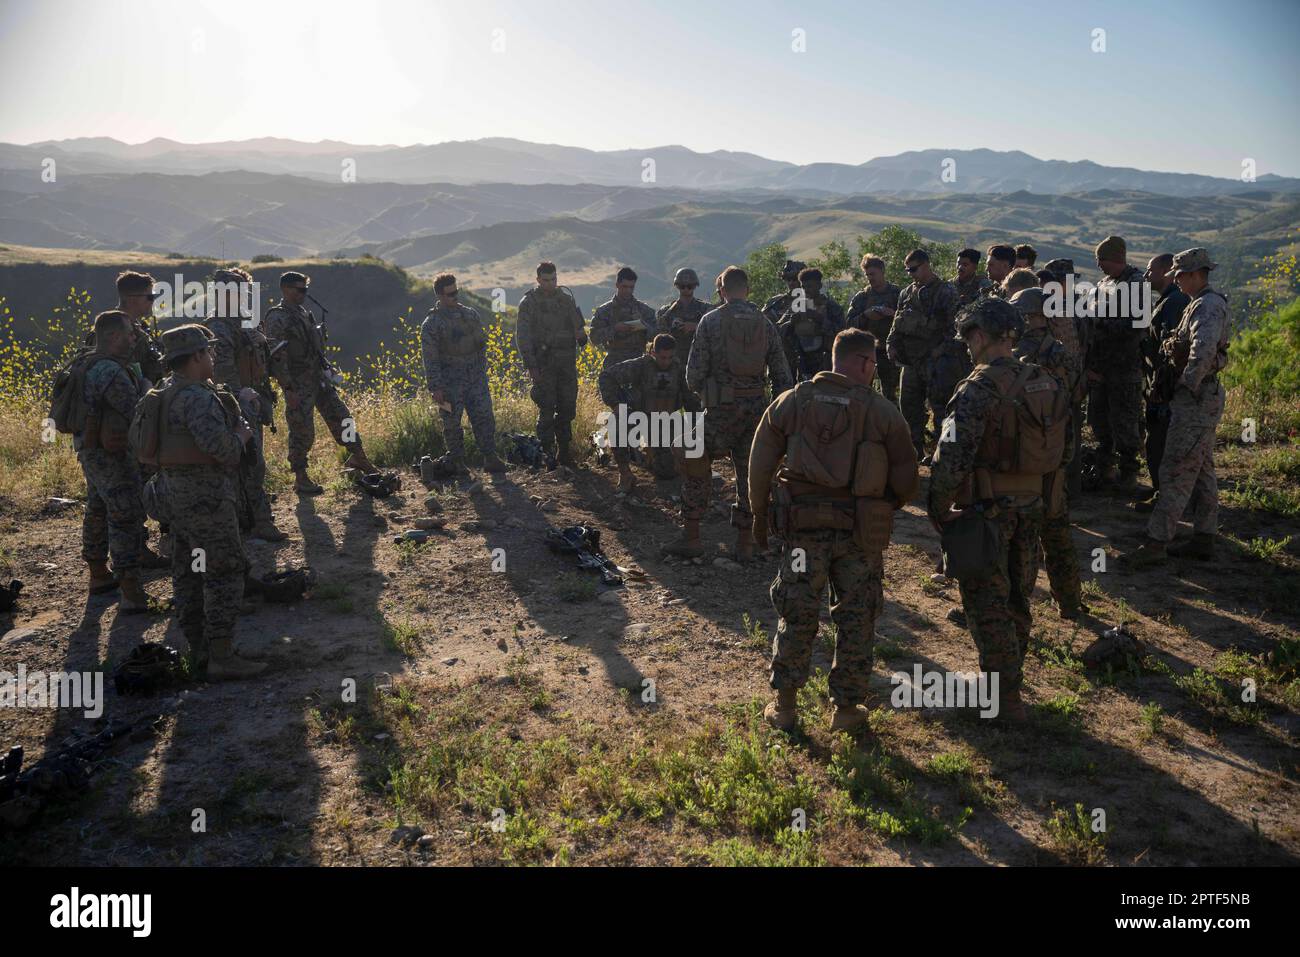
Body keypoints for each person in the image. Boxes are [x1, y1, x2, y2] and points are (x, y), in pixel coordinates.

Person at [749, 328, 917, 733]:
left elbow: (760, 463)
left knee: (798, 611)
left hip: (803, 533)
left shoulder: (792, 401)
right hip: (858, 534)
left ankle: (785, 707)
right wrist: (883, 506)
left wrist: (758, 514)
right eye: (873, 364)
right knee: (857, 616)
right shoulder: (881, 411)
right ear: (863, 363)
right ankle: (845, 709)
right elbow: (907, 477)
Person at [928, 298, 1067, 722]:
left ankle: (1002, 698)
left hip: (988, 511)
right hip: (1033, 505)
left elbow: (951, 456)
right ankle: (1009, 685)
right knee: (1017, 598)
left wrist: (938, 509)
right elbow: (1066, 449)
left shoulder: (976, 388)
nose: (968, 345)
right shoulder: (1044, 380)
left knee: (986, 601)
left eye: (970, 335)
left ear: (981, 335)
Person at [153, 324, 265, 680]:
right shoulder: (198, 398)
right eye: (209, 352)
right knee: (224, 569)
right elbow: (224, 451)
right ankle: (222, 655)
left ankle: (198, 651)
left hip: (174, 495)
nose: (213, 357)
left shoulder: (164, 392)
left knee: (187, 571)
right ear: (197, 356)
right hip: (206, 499)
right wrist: (241, 434)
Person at [667, 266, 792, 561]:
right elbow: (783, 377)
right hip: (757, 412)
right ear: (747, 289)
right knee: (750, 473)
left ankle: (692, 536)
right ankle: (745, 543)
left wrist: (710, 396)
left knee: (691, 453)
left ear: (721, 290)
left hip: (720, 411)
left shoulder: (710, 321)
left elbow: (693, 375)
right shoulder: (765, 323)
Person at [1126, 249, 1230, 567]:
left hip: (1194, 400)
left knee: (1175, 470)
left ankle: (1157, 543)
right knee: (1201, 470)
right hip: (1200, 397)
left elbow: (1202, 351)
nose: (1176, 280)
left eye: (1180, 275)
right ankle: (1203, 538)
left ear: (1195, 274)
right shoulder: (1200, 303)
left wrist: (1183, 384)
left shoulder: (1207, 306)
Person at [1010, 287, 1086, 619]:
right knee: (1057, 531)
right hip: (1056, 453)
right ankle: (1069, 602)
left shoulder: (1011, 356)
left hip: (1022, 459)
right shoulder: (1062, 353)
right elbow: (1074, 397)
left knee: (1022, 538)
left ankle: (1018, 605)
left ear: (1027, 317)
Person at [263, 271, 375, 493]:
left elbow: (313, 346)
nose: (304, 294)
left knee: (343, 418)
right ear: (285, 290)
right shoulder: (277, 317)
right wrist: (288, 388)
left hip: (318, 378)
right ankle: (300, 477)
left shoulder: (303, 313)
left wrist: (326, 366)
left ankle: (359, 458)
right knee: (302, 430)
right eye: (299, 289)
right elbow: (277, 356)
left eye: (305, 289)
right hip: (297, 383)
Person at [74, 310, 149, 611]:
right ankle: (130, 591)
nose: (134, 339)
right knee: (125, 515)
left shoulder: (84, 362)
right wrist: (146, 390)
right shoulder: (111, 372)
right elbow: (137, 411)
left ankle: (98, 573)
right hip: (112, 454)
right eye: (130, 333)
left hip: (90, 450)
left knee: (98, 507)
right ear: (114, 336)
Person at [204, 267, 285, 541]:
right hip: (236, 403)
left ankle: (247, 518)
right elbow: (223, 371)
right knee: (251, 463)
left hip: (254, 399)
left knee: (251, 463)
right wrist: (240, 402)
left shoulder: (246, 323)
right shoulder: (218, 326)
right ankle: (258, 521)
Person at [420, 273, 506, 475]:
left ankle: (490, 457)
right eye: (451, 294)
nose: (455, 296)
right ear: (440, 295)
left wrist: (480, 373)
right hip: (448, 383)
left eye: (457, 291)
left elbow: (481, 345)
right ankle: (457, 462)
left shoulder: (470, 315)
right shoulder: (431, 324)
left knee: (484, 417)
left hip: (475, 378)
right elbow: (430, 358)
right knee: (451, 423)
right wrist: (436, 387)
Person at [598, 334, 697, 492]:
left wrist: (693, 431)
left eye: (670, 357)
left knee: (666, 472)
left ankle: (650, 454)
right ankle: (625, 474)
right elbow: (606, 376)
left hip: (666, 421)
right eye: (662, 357)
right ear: (653, 353)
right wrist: (615, 404)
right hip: (640, 418)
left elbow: (691, 401)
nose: (666, 361)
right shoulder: (640, 365)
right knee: (616, 423)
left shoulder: (680, 370)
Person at [885, 248, 959, 461]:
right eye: (907, 270)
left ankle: (942, 455)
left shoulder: (946, 291)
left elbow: (954, 328)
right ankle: (914, 452)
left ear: (926, 265)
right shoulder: (906, 293)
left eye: (914, 269)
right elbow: (897, 323)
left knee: (941, 411)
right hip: (911, 361)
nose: (910, 274)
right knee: (908, 408)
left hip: (936, 362)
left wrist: (940, 351)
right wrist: (891, 344)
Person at [1087, 236, 1147, 495]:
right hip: (1101, 365)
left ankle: (1129, 473)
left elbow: (1138, 325)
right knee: (1099, 419)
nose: (1100, 266)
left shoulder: (1136, 283)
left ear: (1116, 258)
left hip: (1125, 366)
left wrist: (1100, 324)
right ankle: (1105, 469)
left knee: (1125, 420)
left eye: (1102, 260)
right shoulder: (1103, 284)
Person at [516, 261, 588, 467]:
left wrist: (580, 334)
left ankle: (564, 452)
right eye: (546, 280)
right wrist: (531, 365)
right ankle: (546, 454)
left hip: (566, 364)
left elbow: (581, 335)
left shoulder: (566, 300)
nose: (551, 284)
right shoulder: (529, 302)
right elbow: (523, 337)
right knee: (546, 409)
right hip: (544, 364)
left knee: (567, 408)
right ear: (538, 280)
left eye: (554, 279)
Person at [1134, 253, 1190, 513]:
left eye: (1150, 270)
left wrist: (1162, 388)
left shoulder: (1174, 303)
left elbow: (1172, 352)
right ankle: (1161, 490)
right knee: (1155, 441)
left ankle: (1166, 497)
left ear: (1167, 271)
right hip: (1157, 384)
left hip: (1166, 387)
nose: (1146, 276)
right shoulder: (1166, 301)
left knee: (1161, 444)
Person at [846, 255, 901, 402]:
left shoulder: (898, 294)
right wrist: (866, 315)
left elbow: (908, 320)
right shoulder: (862, 297)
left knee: (890, 396)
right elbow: (849, 324)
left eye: (873, 274)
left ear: (882, 271)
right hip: (867, 351)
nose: (870, 278)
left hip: (890, 351)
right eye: (867, 275)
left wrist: (892, 314)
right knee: (862, 393)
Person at [778, 267, 845, 382]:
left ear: (819, 285)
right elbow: (778, 331)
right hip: (803, 363)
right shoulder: (796, 307)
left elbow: (842, 335)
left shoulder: (832, 307)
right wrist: (791, 323)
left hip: (826, 363)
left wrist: (820, 320)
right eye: (803, 287)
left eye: (810, 286)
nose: (806, 290)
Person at [590, 266, 657, 371]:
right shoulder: (604, 311)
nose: (628, 290)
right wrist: (614, 329)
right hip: (613, 362)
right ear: (617, 285)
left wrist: (642, 324)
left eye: (631, 287)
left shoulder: (644, 310)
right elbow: (594, 338)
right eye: (624, 287)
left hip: (638, 363)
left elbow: (656, 336)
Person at [656, 267, 710, 359]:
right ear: (677, 286)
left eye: (690, 286)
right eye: (682, 286)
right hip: (673, 361)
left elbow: (715, 332)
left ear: (695, 286)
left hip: (698, 358)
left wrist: (696, 326)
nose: (686, 289)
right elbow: (659, 337)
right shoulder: (666, 312)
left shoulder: (706, 309)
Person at [762, 260, 806, 324]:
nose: (791, 283)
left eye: (794, 279)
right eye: (788, 279)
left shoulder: (812, 302)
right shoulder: (774, 302)